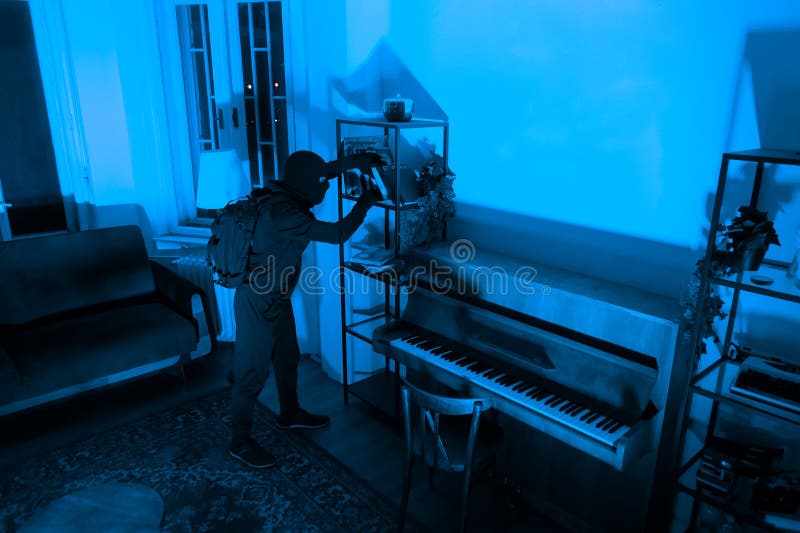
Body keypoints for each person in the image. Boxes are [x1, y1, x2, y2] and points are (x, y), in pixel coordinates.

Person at [229, 149, 383, 468]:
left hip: (276, 295)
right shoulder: (284, 214)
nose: (326, 186)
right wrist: (366, 201)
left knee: (287, 357)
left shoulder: (284, 190)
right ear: (306, 184)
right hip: (257, 300)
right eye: (321, 182)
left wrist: (355, 163)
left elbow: (318, 173)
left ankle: (290, 413)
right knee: (251, 373)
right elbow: (338, 233)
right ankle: (240, 442)